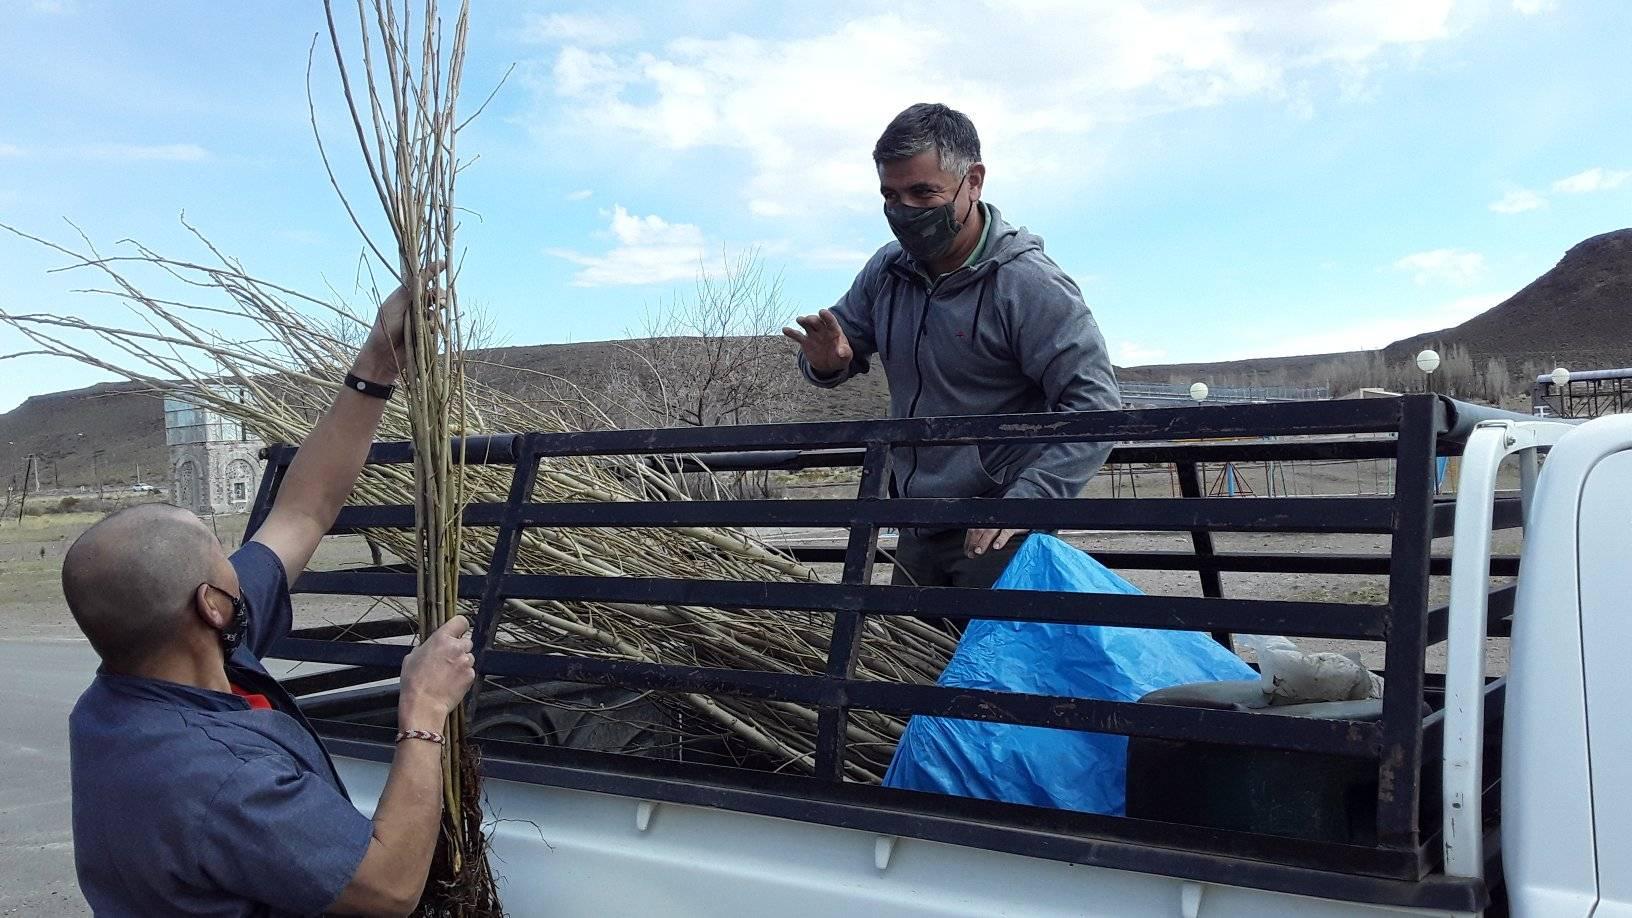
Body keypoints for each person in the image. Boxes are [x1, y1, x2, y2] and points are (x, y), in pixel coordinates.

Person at [64, 275, 472, 916]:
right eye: (221, 559)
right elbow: (387, 891)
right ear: (211, 606)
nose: (239, 563)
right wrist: (422, 711)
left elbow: (304, 511)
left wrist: (374, 366)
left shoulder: (138, 686)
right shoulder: (214, 776)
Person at [785, 102, 1121, 590]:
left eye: (924, 192)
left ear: (975, 181)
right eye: (891, 195)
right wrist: (825, 363)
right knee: (910, 663)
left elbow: (1097, 407)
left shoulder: (1027, 284)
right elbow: (837, 347)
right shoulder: (888, 270)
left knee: (988, 666)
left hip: (997, 531)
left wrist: (1028, 500)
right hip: (916, 522)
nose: (906, 212)